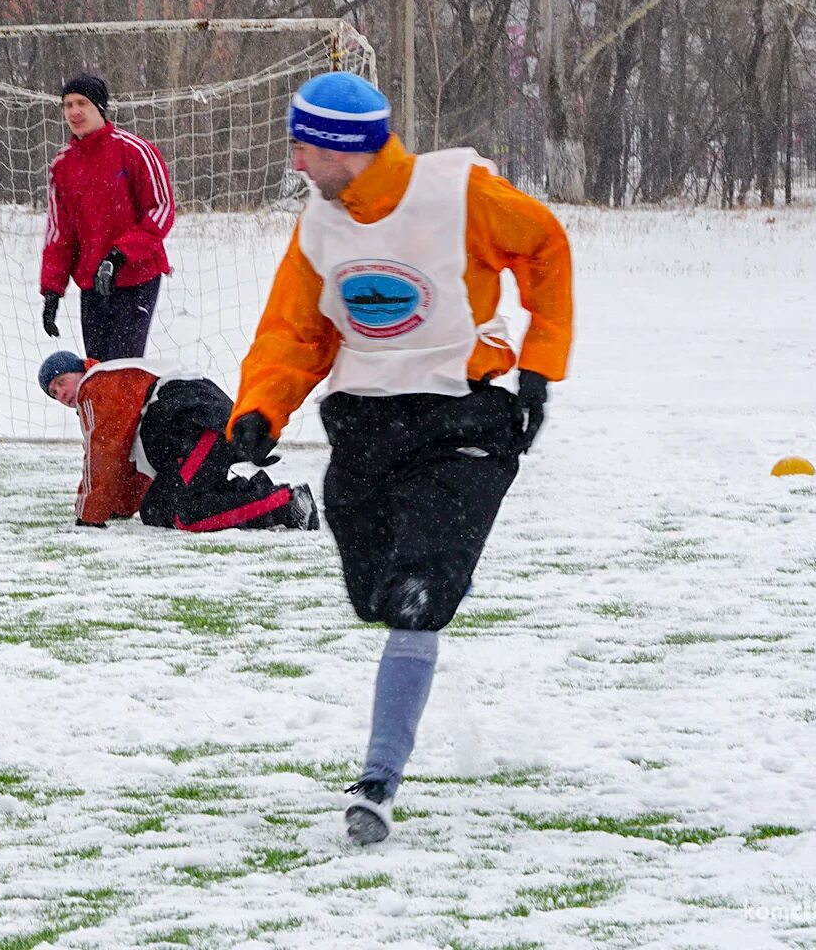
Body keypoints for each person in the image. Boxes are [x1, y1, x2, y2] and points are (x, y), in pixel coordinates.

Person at [226, 71, 573, 844]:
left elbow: (544, 244)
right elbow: (294, 330)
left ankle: (377, 781)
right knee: (375, 594)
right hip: (366, 427)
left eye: (303, 144)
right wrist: (259, 408)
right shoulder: (319, 223)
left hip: (464, 419)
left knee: (420, 593)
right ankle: (423, 593)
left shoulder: (459, 193)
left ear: (341, 148)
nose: (295, 160)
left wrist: (540, 361)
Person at [37, 351, 319, 533]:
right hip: (191, 423)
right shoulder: (108, 387)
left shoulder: (95, 386)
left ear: (80, 369)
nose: (60, 393)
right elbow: (123, 460)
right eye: (53, 393)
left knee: (186, 515)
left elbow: (104, 455)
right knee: (155, 510)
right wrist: (118, 506)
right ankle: (256, 492)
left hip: (194, 421)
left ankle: (288, 504)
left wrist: (90, 515)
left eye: (61, 382)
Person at [39, 73, 176, 360]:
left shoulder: (135, 151)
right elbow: (59, 234)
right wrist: (52, 290)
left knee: (123, 371)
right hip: (93, 285)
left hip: (136, 277)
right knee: (98, 370)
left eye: (82, 103)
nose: (74, 112)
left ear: (99, 107)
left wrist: (119, 255)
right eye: (68, 105)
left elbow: (161, 209)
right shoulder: (62, 165)